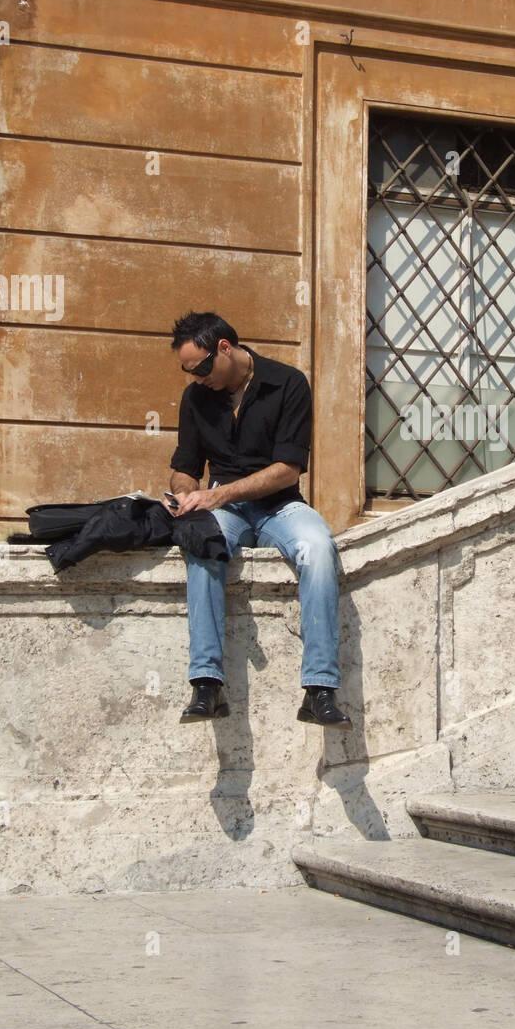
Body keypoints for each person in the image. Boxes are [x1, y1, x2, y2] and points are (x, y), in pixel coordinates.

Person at [166, 311, 350, 729]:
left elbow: (287, 469)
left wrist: (217, 493)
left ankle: (320, 690)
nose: (198, 378)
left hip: (279, 505)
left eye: (202, 368)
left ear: (225, 349)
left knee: (318, 547)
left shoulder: (288, 384)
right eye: (188, 371)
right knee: (202, 544)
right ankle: (207, 685)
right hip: (225, 510)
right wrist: (183, 493)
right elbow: (185, 464)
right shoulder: (196, 397)